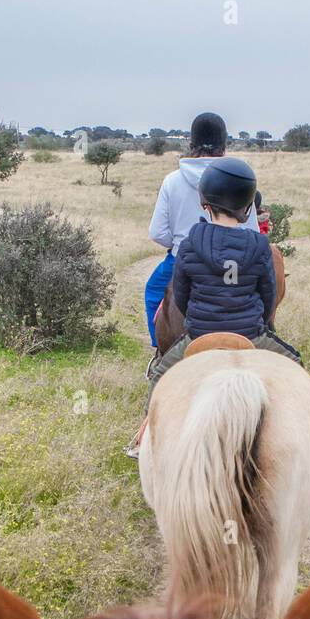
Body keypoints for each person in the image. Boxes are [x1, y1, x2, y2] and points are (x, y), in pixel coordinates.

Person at [126, 158, 300, 457]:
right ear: (248, 208)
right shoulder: (260, 246)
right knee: (295, 365)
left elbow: (180, 294)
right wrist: (262, 326)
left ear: (204, 202)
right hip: (251, 335)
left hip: (198, 336)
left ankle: (145, 439)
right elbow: (269, 296)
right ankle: (304, 431)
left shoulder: (191, 242)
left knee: (160, 376)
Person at [143, 112, 260, 349]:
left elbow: (157, 232)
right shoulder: (239, 178)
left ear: (191, 143)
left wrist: (176, 244)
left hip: (181, 259)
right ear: (224, 145)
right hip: (235, 262)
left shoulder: (172, 180)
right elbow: (254, 231)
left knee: (154, 290)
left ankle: (161, 351)